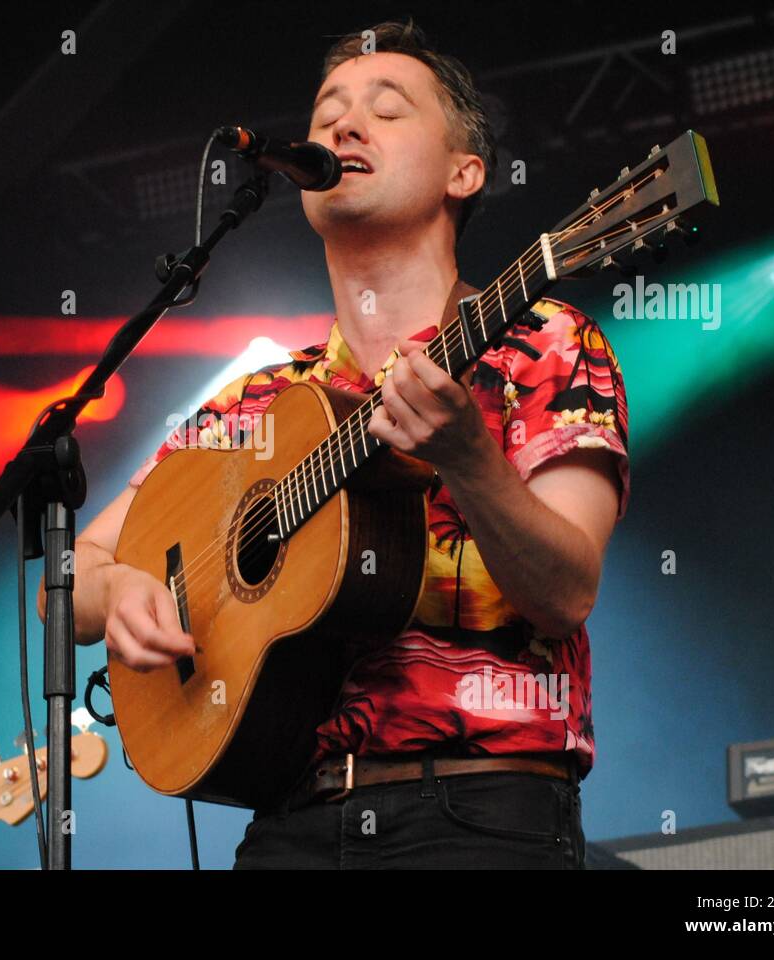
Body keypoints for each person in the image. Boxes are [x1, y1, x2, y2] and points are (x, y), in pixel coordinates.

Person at [43, 19, 629, 869]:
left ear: (466, 171)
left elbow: (566, 592)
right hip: (287, 819)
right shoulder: (260, 399)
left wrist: (467, 457)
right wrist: (125, 586)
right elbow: (68, 581)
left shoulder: (543, 340)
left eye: (386, 111)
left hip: (480, 810)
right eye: (327, 114)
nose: (343, 128)